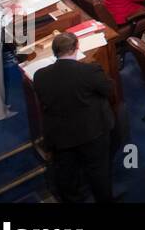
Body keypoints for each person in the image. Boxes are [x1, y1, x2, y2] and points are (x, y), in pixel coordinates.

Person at [33, 32, 116, 203]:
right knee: (98, 171)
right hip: (91, 131)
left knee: (66, 174)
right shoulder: (89, 70)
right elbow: (108, 90)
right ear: (76, 48)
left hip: (60, 135)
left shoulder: (40, 75)